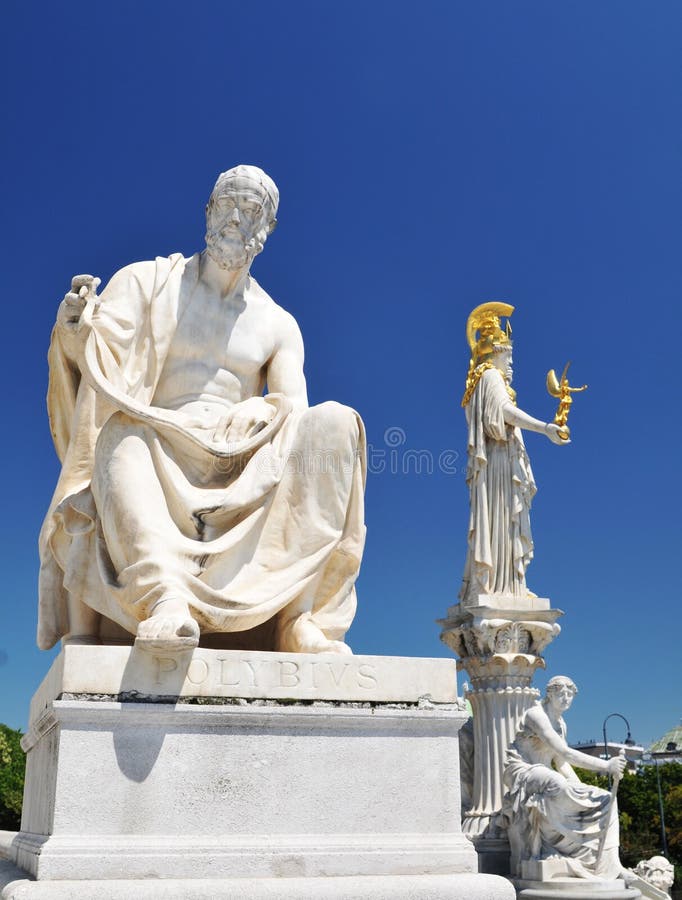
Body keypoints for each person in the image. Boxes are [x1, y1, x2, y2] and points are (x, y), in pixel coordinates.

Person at [39, 165, 366, 654]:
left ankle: (297, 620)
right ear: (208, 211)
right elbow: (99, 356)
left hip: (242, 454)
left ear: (268, 229)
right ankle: (165, 596)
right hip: (156, 437)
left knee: (337, 423)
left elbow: (294, 412)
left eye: (251, 210)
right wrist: (74, 327)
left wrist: (263, 411)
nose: (236, 218)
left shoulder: (278, 323)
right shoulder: (148, 282)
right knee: (122, 433)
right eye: (227, 204)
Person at [459, 303, 566, 605]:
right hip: (498, 463)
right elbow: (505, 413)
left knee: (505, 522)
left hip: (500, 461)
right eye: (509, 356)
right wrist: (545, 428)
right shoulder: (491, 377)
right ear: (495, 353)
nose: (512, 364)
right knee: (502, 519)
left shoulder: (486, 381)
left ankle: (510, 584)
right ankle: (501, 586)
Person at [503, 676, 628, 880]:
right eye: (561, 693)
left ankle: (612, 864)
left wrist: (582, 793)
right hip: (522, 771)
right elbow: (565, 751)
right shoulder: (536, 715)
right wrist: (606, 765)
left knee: (605, 798)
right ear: (549, 694)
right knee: (557, 783)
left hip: (545, 773)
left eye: (570, 694)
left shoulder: (561, 724)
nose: (566, 698)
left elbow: (561, 762)